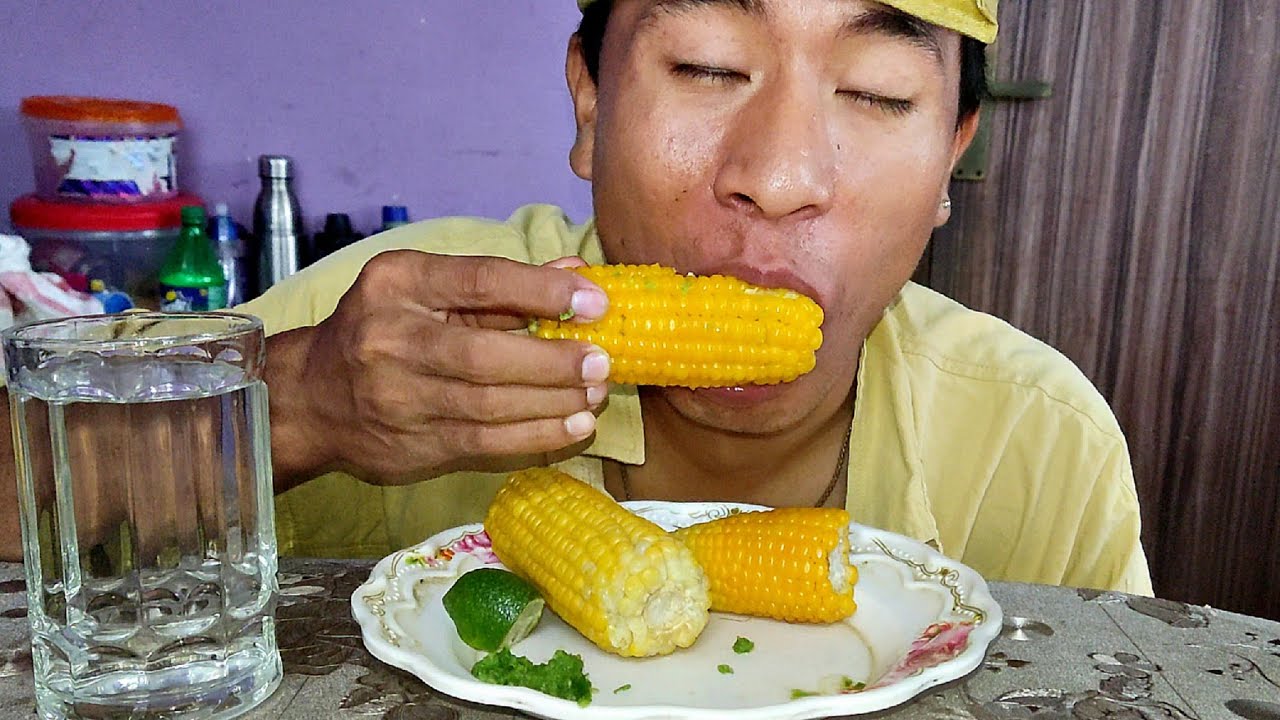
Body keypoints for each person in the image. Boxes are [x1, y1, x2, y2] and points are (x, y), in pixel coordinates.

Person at [0, 0, 1153, 595]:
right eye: (707, 64)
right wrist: (296, 405)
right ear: (590, 103)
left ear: (951, 158)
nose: (783, 175)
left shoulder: (1033, 441)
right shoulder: (399, 322)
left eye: (874, 90)